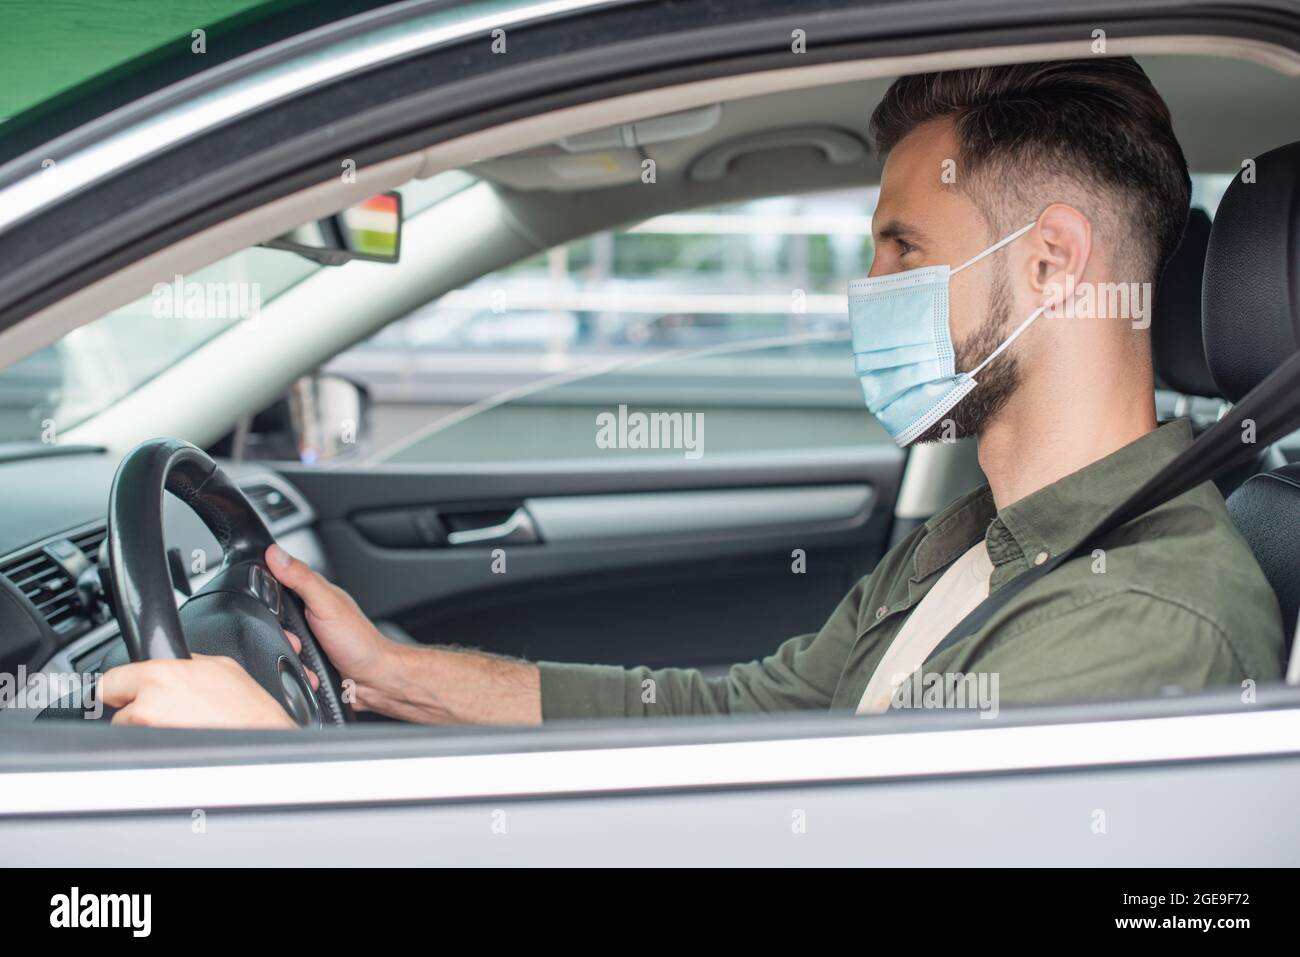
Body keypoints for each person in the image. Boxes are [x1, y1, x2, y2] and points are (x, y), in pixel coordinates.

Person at [102, 57, 1282, 729]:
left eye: (900, 249)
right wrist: (382, 673)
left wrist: (284, 782)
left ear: (1049, 262)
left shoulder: (1140, 622)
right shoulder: (990, 535)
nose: (863, 294)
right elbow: (743, 712)